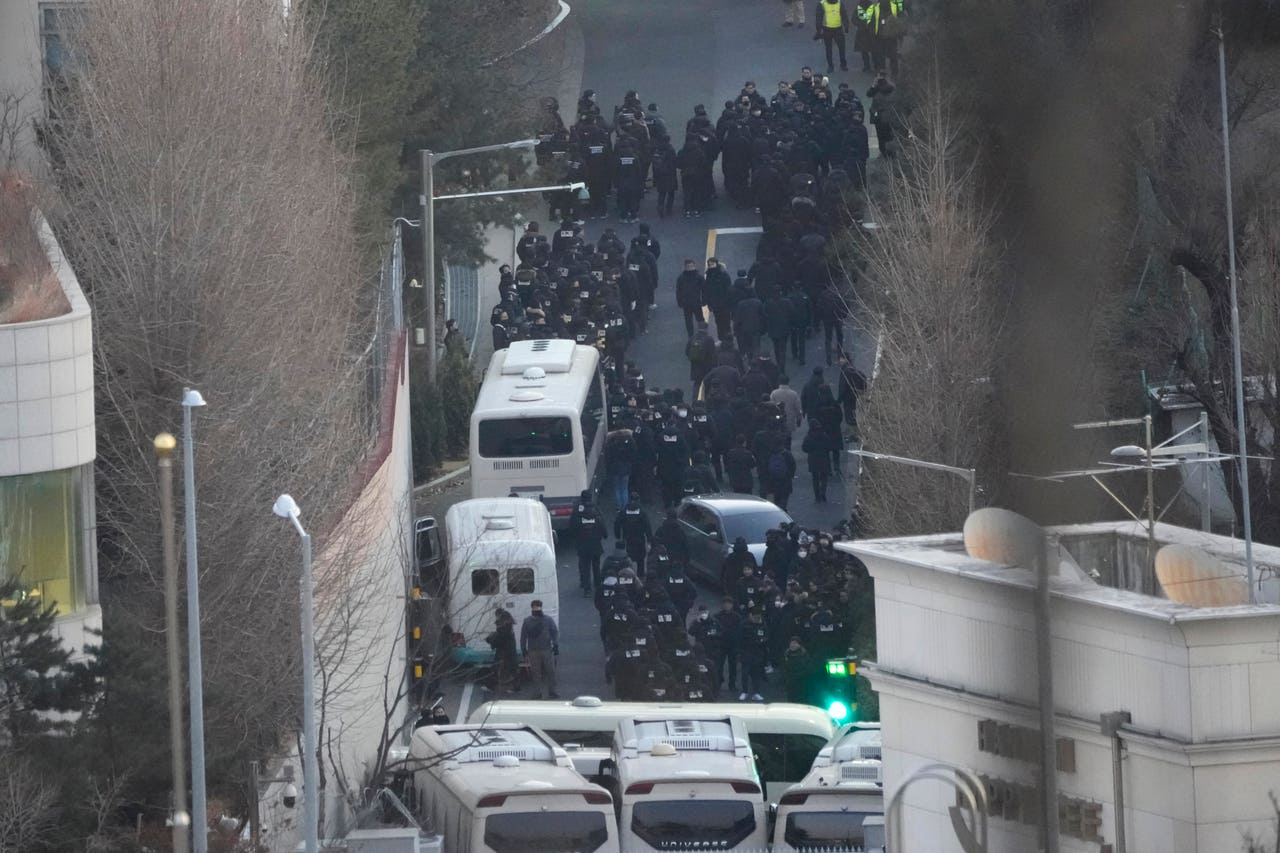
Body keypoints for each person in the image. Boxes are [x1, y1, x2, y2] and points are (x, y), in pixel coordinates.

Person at [520, 600, 559, 699]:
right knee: (543, 672)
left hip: (537, 649)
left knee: (544, 672)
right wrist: (555, 644)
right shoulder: (547, 619)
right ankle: (547, 692)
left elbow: (523, 636)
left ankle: (543, 692)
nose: (536, 609)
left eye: (537, 607)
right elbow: (554, 632)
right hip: (543, 649)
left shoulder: (528, 621)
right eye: (535, 607)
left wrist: (524, 649)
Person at [572, 491, 608, 595]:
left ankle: (586, 588)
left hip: (582, 545)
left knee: (585, 566)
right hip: (596, 544)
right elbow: (602, 526)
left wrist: (577, 537)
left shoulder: (577, 512)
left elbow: (572, 527)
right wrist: (604, 535)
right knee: (596, 565)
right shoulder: (596, 511)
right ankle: (597, 584)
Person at [738, 607, 769, 701]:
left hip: (758, 654)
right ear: (751, 616)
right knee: (745, 673)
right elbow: (740, 639)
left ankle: (756, 692)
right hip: (746, 653)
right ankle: (744, 692)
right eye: (756, 617)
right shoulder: (744, 625)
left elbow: (767, 636)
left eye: (759, 617)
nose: (757, 619)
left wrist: (762, 641)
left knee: (756, 674)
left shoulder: (763, 625)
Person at [486, 607, 519, 696]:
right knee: (513, 669)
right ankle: (516, 686)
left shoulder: (503, 627)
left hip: (504, 651)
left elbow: (500, 639)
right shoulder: (508, 625)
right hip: (510, 650)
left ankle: (491, 686)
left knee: (496, 668)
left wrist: (490, 640)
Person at [803, 419, 836, 502]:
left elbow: (804, 448)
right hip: (823, 458)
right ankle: (823, 491)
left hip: (813, 459)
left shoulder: (808, 437)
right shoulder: (824, 436)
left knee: (815, 478)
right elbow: (829, 447)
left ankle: (817, 495)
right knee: (824, 477)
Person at [814, 0, 850, 73]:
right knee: (829, 49)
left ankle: (841, 64)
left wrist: (846, 25)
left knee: (841, 47)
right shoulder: (822, 4)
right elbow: (819, 18)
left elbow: (844, 15)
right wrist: (819, 30)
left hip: (837, 28)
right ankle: (832, 65)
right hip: (827, 29)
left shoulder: (839, 3)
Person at [867, 71, 896, 158]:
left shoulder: (877, 91)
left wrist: (874, 85)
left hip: (880, 118)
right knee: (889, 135)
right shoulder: (891, 89)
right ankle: (890, 152)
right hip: (889, 116)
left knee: (881, 136)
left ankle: (884, 152)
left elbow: (868, 94)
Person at [677, 259, 708, 337]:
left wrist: (704, 300)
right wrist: (679, 301)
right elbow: (678, 291)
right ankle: (690, 336)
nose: (690, 268)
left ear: (694, 266)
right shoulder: (681, 278)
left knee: (700, 319)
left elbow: (704, 289)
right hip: (686, 303)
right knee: (688, 321)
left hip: (696, 302)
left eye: (691, 266)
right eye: (688, 266)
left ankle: (702, 334)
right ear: (685, 267)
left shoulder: (699, 277)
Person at [771, 375, 804, 443]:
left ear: (779, 382)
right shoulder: (794, 394)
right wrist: (799, 419)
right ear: (788, 382)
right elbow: (798, 408)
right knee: (788, 438)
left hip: (777, 419)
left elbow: (771, 406)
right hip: (790, 420)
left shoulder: (774, 393)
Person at [782, 636, 813, 703]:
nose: (792, 645)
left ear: (799, 644)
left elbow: (808, 668)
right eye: (791, 643)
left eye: (795, 643)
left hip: (801, 681)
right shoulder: (787, 653)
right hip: (790, 682)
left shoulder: (804, 654)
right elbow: (784, 666)